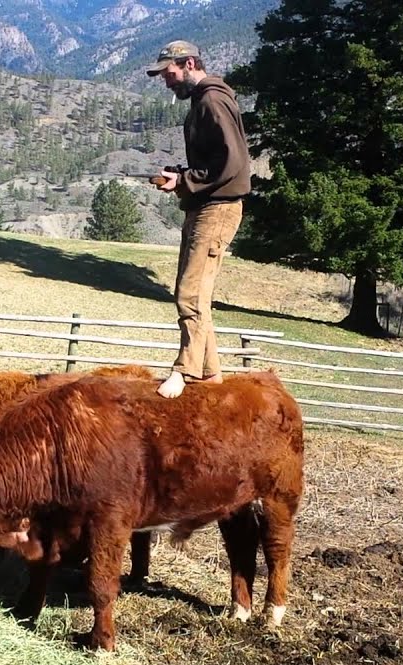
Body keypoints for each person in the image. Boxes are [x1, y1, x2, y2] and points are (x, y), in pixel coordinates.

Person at [145, 40, 252, 398]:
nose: (166, 81)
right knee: (196, 294)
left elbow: (232, 162)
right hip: (206, 205)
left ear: (189, 63)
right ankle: (210, 373)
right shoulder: (205, 100)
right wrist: (183, 175)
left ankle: (185, 371)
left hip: (217, 209)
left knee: (189, 292)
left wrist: (186, 181)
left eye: (169, 73)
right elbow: (216, 162)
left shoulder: (212, 100)